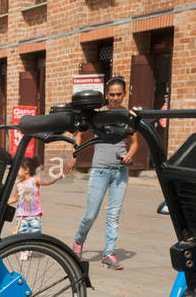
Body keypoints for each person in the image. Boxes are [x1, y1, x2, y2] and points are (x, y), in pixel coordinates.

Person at [72, 75, 138, 269]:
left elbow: (134, 143)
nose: (115, 98)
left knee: (113, 215)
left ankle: (109, 253)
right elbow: (80, 133)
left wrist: (130, 156)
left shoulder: (128, 116)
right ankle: (78, 241)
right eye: (112, 94)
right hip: (100, 170)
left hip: (120, 172)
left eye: (119, 94)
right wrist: (74, 154)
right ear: (106, 96)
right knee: (91, 214)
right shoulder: (98, 115)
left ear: (124, 94)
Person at [8, 156, 59, 257]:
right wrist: (3, 201)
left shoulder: (34, 180)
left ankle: (30, 248)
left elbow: (47, 181)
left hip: (34, 214)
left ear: (26, 170)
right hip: (21, 215)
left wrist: (56, 178)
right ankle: (24, 250)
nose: (16, 172)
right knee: (21, 234)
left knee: (35, 234)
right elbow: (15, 197)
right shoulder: (18, 184)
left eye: (18, 169)